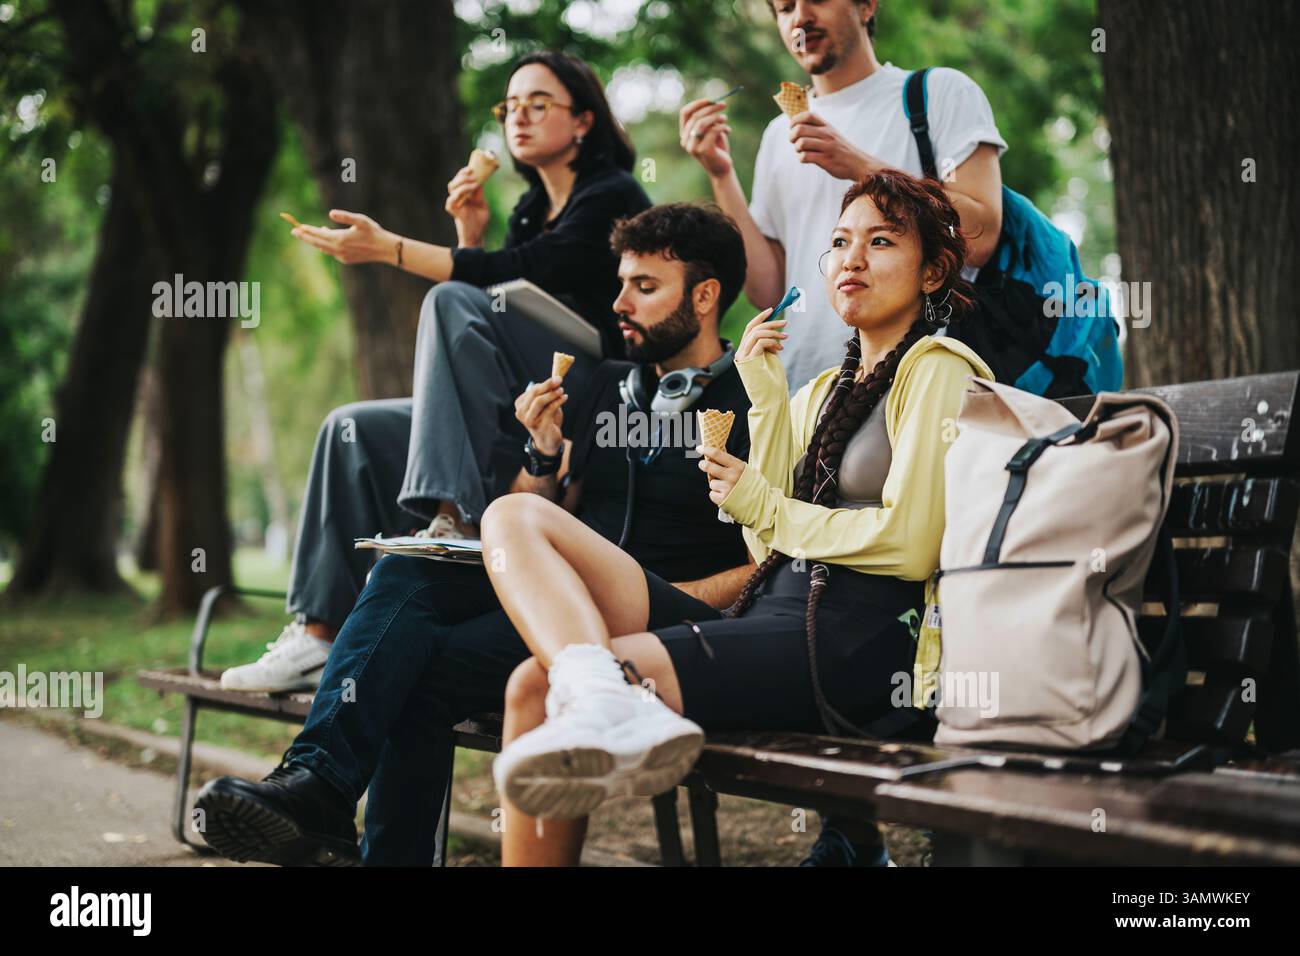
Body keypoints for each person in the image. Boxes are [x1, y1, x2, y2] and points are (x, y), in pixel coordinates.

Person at [195, 203, 760, 866]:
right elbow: (536, 510)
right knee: (407, 587)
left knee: (413, 657)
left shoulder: (758, 400)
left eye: (644, 287)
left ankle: (326, 800)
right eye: (621, 283)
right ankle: (319, 785)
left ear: (705, 295)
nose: (620, 304)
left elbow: (771, 565)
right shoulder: (605, 387)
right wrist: (543, 454)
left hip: (667, 622)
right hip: (562, 605)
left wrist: (661, 594)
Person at [482, 170, 995, 867]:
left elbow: (909, 546)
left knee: (542, 691)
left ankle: (603, 690)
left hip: (858, 641)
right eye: (842, 242)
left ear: (934, 270)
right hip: (775, 615)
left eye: (880, 243)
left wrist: (766, 504)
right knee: (516, 528)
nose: (851, 260)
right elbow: (765, 541)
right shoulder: (822, 389)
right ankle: (597, 686)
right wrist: (766, 397)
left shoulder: (939, 369)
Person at [220, 51, 651, 694]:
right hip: (516, 407)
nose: (519, 119)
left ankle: (458, 517)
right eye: (510, 108)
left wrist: (387, 249)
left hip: (584, 399)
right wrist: (469, 234)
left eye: (539, 104)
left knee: (448, 295)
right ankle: (316, 636)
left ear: (584, 121)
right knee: (352, 429)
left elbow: (512, 280)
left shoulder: (611, 195)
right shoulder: (532, 207)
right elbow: (492, 312)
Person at [679, 0, 1006, 391]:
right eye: (784, 8)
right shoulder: (777, 134)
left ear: (867, 6)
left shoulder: (938, 94)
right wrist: (722, 173)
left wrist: (860, 166)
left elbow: (981, 236)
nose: (800, 17)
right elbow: (769, 289)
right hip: (806, 391)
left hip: (916, 380)